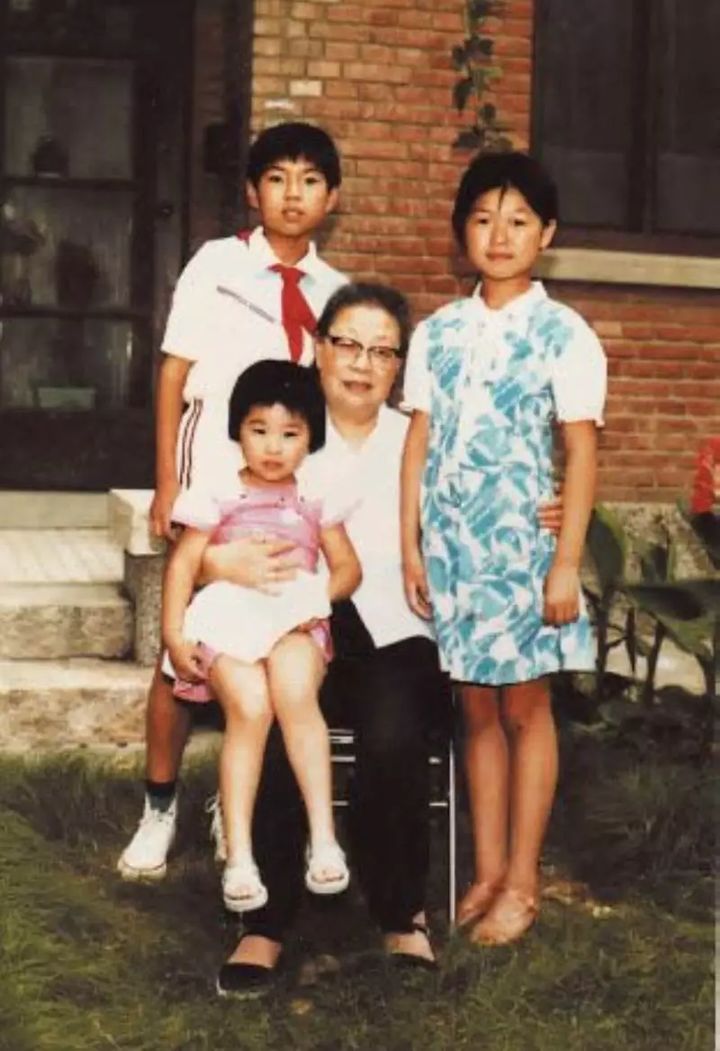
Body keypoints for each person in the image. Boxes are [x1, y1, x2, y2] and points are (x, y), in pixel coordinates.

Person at [210, 283, 564, 999]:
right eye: (347, 343)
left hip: (398, 628)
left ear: (400, 364)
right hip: (294, 621)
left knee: (395, 735)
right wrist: (220, 562)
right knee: (280, 717)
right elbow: (209, 521)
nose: (362, 363)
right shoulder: (278, 427)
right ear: (319, 346)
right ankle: (265, 918)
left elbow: (493, 494)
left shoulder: (423, 437)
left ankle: (400, 910)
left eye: (382, 350)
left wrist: (545, 510)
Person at [118, 122, 347, 881]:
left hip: (285, 492)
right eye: (276, 178)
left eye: (310, 179)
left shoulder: (333, 292)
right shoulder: (215, 264)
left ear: (331, 197)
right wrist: (166, 481)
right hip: (214, 475)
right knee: (182, 647)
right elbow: (174, 374)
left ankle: (236, 800)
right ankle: (158, 805)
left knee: (269, 639)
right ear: (253, 191)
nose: (292, 193)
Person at [400, 151, 607, 946]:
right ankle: (484, 870)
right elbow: (417, 445)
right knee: (474, 708)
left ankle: (524, 878)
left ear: (546, 234)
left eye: (519, 220)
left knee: (525, 707)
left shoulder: (564, 333)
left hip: (524, 550)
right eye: (484, 218)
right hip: (452, 550)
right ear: (461, 232)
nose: (500, 234)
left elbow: (580, 452)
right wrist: (413, 547)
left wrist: (565, 561)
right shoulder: (439, 332)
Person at [162, 361, 360, 912]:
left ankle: (323, 840)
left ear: (311, 438)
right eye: (259, 430)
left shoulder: (314, 499)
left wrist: (314, 600)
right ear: (237, 431)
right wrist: (175, 635)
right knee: (250, 708)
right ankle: (241, 856)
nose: (274, 447)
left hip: (293, 620)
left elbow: (347, 569)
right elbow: (183, 567)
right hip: (228, 619)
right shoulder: (218, 493)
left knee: (296, 693)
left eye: (291, 433)